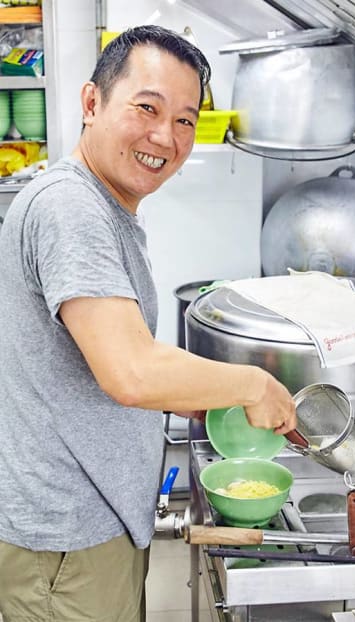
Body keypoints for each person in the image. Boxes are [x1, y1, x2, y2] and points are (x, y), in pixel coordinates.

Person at [0, 25, 296, 621]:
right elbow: (130, 372)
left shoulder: (102, 206)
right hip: (66, 543)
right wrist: (252, 385)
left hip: (87, 531)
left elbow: (99, 363)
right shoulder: (70, 207)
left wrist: (202, 401)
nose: (166, 136)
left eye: (185, 119)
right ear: (92, 102)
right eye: (147, 108)